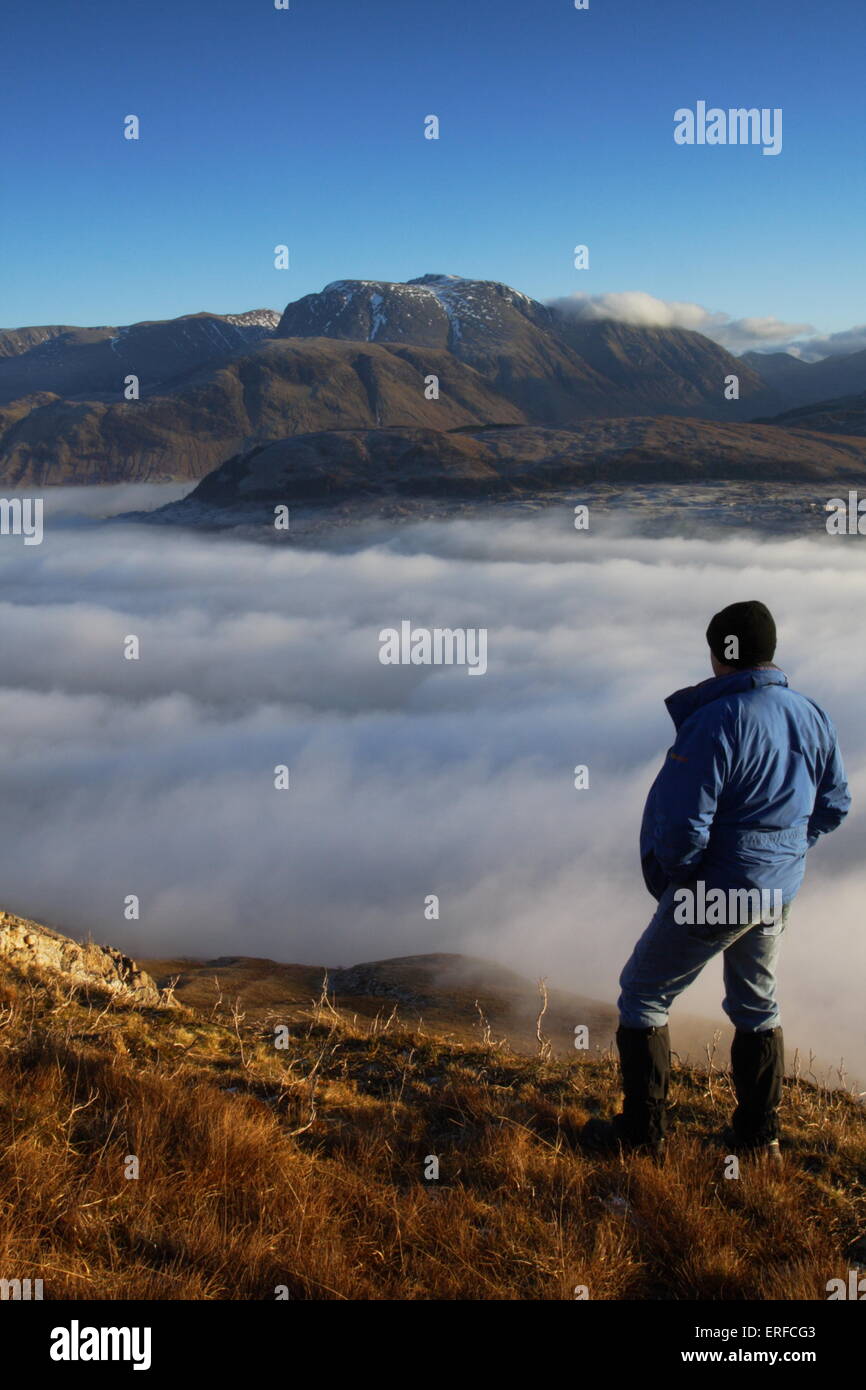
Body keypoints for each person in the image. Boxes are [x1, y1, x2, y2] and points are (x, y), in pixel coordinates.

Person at [593, 600, 850, 1163]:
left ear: (720, 652)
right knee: (757, 1004)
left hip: (720, 887)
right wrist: (784, 853)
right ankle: (760, 1139)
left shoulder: (717, 720)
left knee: (643, 992)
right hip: (778, 889)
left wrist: (686, 881)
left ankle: (641, 1137)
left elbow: (684, 825)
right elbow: (834, 805)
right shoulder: (810, 713)